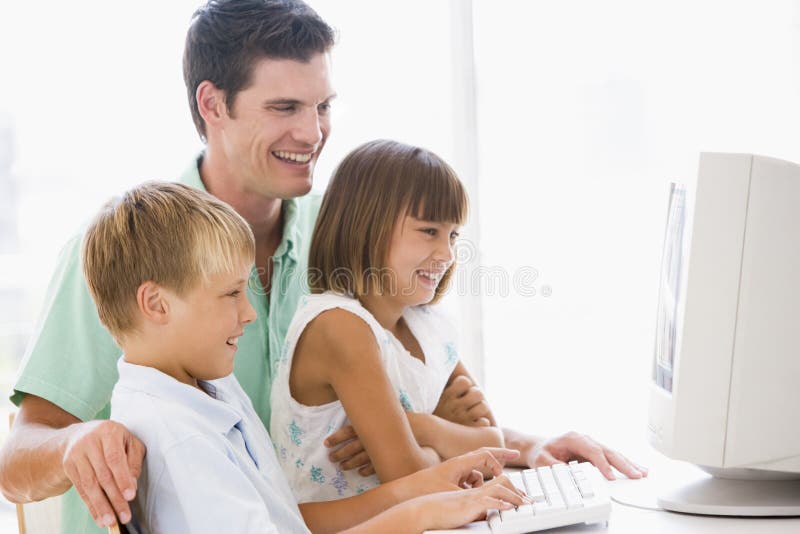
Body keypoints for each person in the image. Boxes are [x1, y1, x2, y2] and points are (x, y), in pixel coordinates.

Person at [0, 1, 643, 532]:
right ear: (213, 104)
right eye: (285, 108)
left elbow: (447, 394)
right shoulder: (125, 250)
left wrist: (530, 449)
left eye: (323, 106)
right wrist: (77, 446)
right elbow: (16, 459)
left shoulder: (340, 240)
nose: (313, 133)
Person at [84, 180, 526, 533]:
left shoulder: (207, 388)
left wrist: (423, 490)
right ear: (157, 304)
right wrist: (419, 516)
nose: (249, 313)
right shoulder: (182, 436)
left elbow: (288, 521)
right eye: (232, 294)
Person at [270, 140, 647, 504]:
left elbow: (490, 437)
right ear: (365, 226)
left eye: (452, 235)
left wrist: (422, 429)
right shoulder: (340, 326)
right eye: (429, 231)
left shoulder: (425, 324)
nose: (447, 253)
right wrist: (445, 444)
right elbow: (415, 480)